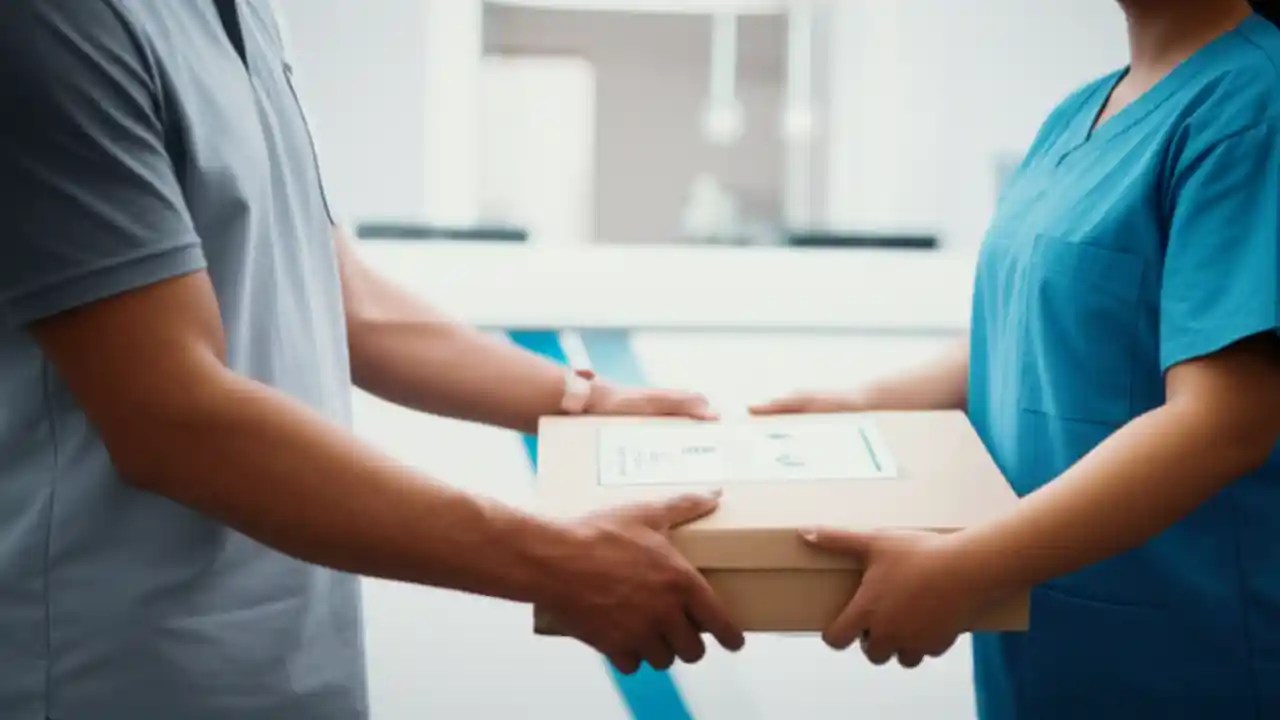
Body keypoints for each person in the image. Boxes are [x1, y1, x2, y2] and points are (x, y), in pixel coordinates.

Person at [0, 1, 744, 718]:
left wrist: (581, 400)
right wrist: (554, 560)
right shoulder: (55, 22)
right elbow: (171, 417)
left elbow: (341, 293)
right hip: (110, 673)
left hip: (288, 665)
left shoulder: (242, 12)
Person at [755, 0, 1280, 716]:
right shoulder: (1074, 115)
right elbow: (1035, 335)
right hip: (1048, 652)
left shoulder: (1257, 106)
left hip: (1187, 659)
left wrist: (965, 568)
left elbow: (1226, 421)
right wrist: (862, 401)